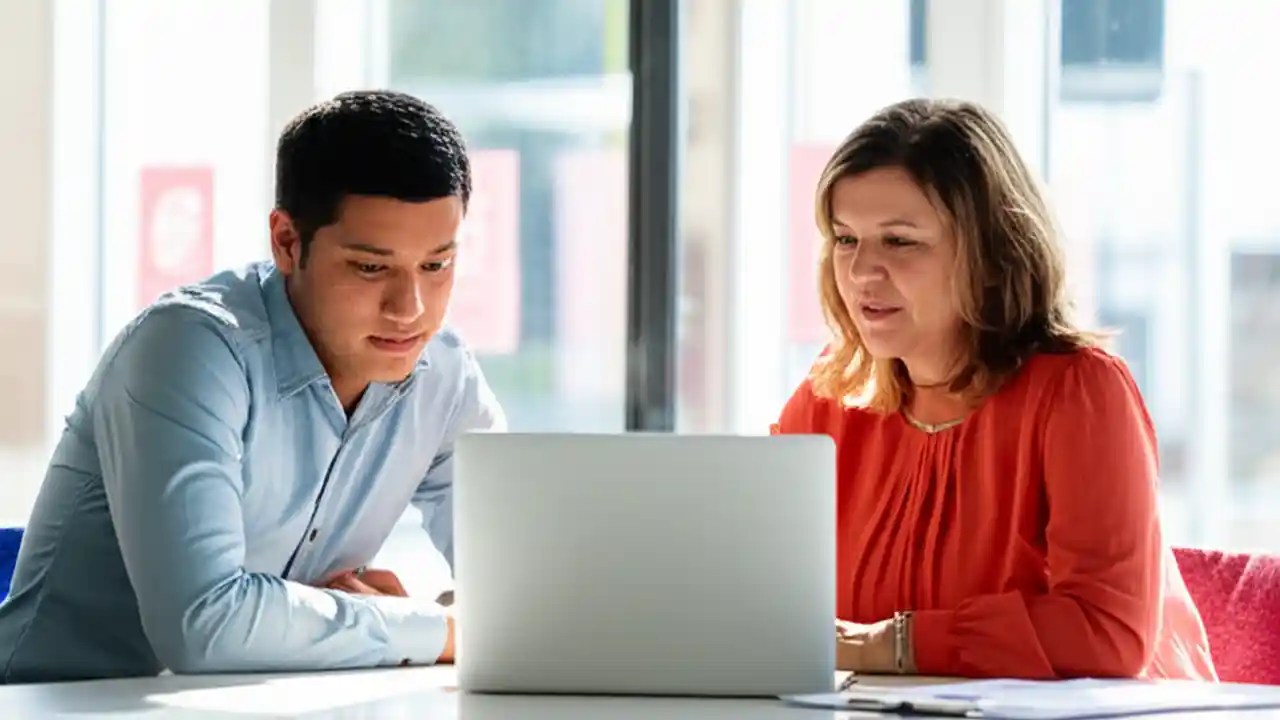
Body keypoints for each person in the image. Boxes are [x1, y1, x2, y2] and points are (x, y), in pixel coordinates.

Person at [0, 90, 501, 682]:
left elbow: (523, 590)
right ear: (287, 242)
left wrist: (426, 623)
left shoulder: (440, 371)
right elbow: (204, 626)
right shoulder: (189, 349)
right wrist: (429, 627)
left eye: (436, 265)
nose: (409, 308)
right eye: (371, 267)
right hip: (50, 703)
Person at [773, 98, 1218, 680]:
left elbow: (1106, 631)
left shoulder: (1080, 392)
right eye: (845, 239)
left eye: (900, 241)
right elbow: (768, 598)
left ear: (990, 255)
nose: (861, 272)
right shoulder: (829, 397)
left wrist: (892, 643)